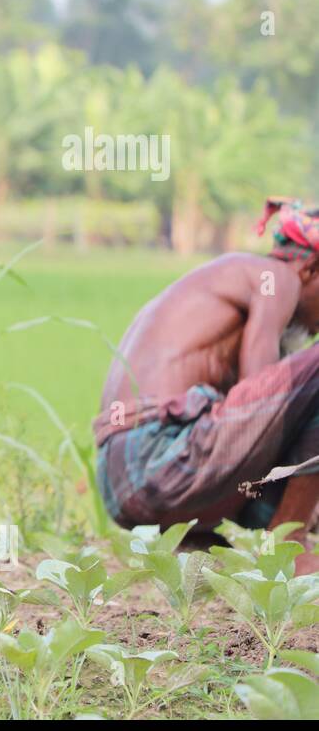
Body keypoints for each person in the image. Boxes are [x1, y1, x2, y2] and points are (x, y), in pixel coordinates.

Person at [96, 197, 319, 573]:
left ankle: (195, 543)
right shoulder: (274, 278)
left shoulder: (232, 285)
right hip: (157, 456)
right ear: (311, 268)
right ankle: (288, 543)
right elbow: (260, 394)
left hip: (126, 477)